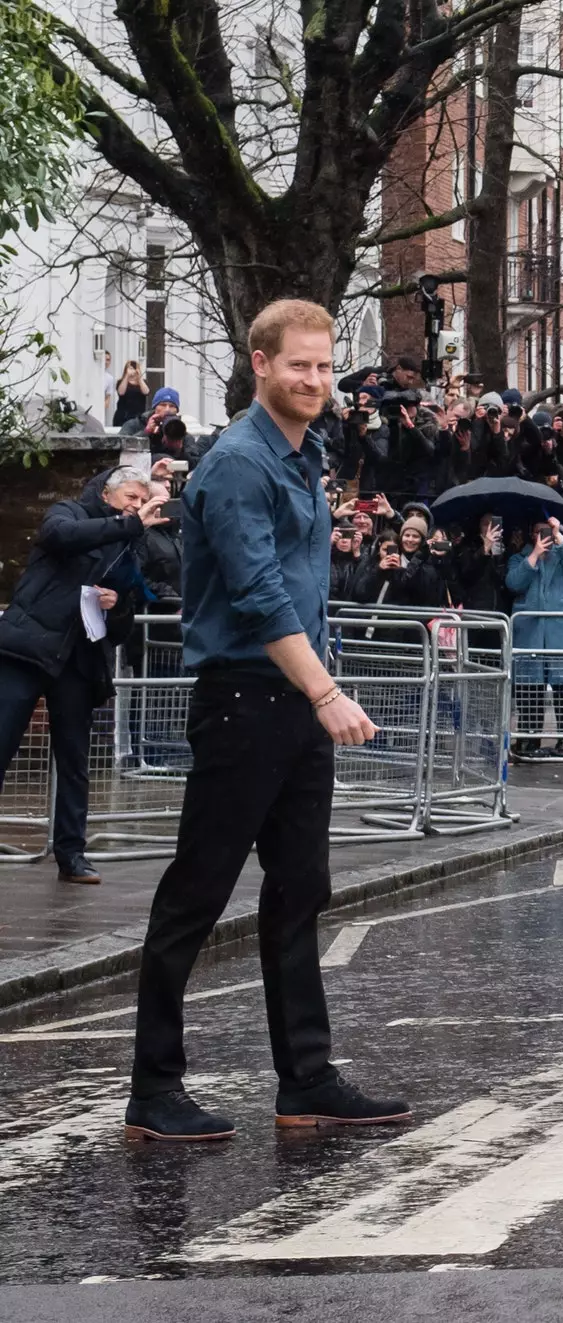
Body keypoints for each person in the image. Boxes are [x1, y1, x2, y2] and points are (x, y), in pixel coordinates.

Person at [125, 299, 410, 1142]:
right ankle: (153, 1089)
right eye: (301, 365)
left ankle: (307, 1079)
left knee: (299, 891)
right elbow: (257, 597)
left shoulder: (304, 451)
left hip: (294, 702)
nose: (317, 380)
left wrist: (316, 694)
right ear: (260, 363)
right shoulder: (241, 463)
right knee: (196, 893)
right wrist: (326, 692)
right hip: (247, 699)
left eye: (325, 366)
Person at [0, 467, 167, 884]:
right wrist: (126, 525)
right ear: (108, 495)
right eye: (131, 497)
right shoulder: (69, 512)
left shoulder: (133, 545)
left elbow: (124, 623)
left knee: (75, 761)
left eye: (140, 500)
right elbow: (59, 538)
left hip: (78, 660)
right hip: (29, 649)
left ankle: (71, 855)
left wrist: (117, 605)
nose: (136, 506)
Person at [506, 516, 563, 754]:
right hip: (530, 632)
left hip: (561, 632)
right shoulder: (519, 558)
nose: (544, 535)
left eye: (547, 530)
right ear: (532, 534)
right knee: (529, 691)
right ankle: (528, 741)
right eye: (540, 531)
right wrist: (534, 556)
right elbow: (513, 583)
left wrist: (560, 534)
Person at [112, 360, 148, 428]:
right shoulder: (121, 381)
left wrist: (139, 377)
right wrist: (127, 376)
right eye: (130, 368)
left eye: (134, 368)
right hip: (123, 415)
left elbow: (146, 392)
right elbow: (121, 392)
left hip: (138, 415)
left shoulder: (143, 382)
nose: (132, 370)